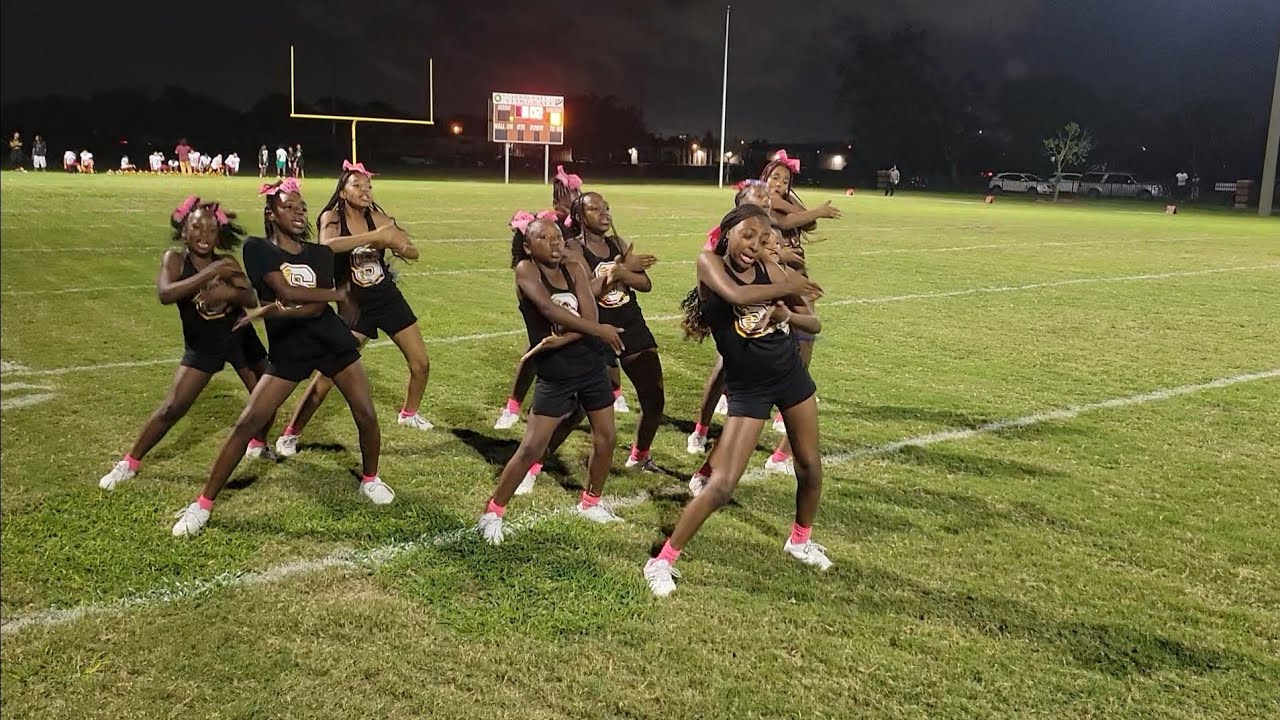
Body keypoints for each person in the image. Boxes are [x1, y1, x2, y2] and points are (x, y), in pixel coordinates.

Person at [171, 178, 394, 537]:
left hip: (330, 338)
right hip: (290, 347)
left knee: (365, 413)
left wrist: (278, 308)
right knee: (248, 422)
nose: (298, 213)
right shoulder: (257, 248)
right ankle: (203, 504)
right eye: (288, 207)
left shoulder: (319, 254)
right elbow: (283, 290)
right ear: (271, 214)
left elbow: (308, 308)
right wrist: (330, 295)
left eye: (302, 207)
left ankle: (371, 479)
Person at [643, 204, 827, 597]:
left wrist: (785, 316)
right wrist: (788, 286)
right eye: (747, 235)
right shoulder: (709, 264)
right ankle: (662, 560)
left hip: (791, 376)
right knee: (723, 484)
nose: (754, 245)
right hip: (748, 388)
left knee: (811, 468)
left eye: (762, 240)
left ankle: (799, 540)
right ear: (727, 233)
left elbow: (813, 322)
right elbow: (735, 294)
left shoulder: (771, 270)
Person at [98, 197, 276, 491]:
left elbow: (251, 297)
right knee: (172, 408)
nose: (204, 235)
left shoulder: (227, 262)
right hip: (203, 345)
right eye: (197, 228)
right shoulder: (176, 260)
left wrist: (228, 294)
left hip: (240, 337)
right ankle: (129, 463)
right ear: (184, 231)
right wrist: (211, 274)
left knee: (265, 398)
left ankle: (258, 444)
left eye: (211, 230)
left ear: (219, 235)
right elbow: (166, 293)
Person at [477, 210, 627, 544]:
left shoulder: (575, 268)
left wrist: (567, 337)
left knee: (606, 437)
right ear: (528, 246)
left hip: (590, 364)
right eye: (543, 238)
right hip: (556, 372)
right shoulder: (526, 270)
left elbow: (590, 315)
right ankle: (493, 511)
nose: (555, 244)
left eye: (558, 237)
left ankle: (591, 502)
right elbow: (549, 310)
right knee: (532, 447)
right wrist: (595, 331)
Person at [275, 160, 435, 457]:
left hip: (387, 297)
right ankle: (291, 433)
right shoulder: (332, 217)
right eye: (357, 185)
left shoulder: (378, 217)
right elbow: (327, 246)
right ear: (343, 191)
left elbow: (413, 251)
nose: (365, 191)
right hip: (353, 305)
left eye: (368, 186)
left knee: (421, 363)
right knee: (328, 375)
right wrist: (375, 238)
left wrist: (397, 243)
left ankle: (409, 413)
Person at [493, 164, 583, 430]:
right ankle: (514, 407)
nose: (577, 198)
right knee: (538, 346)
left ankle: (609, 396)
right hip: (546, 285)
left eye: (579, 193)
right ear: (558, 201)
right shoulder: (551, 223)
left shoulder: (580, 222)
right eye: (573, 195)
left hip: (570, 285)